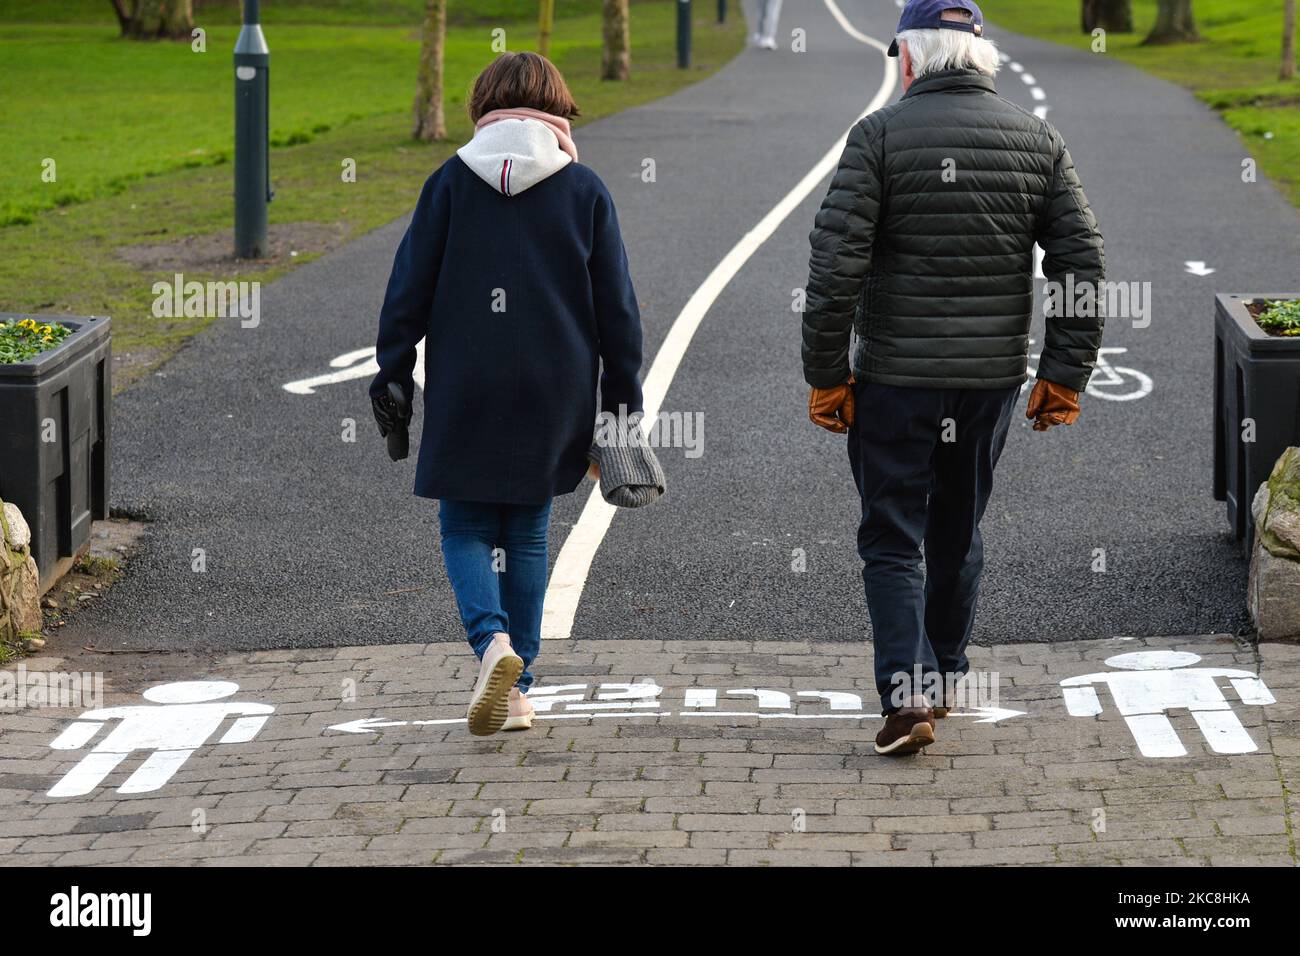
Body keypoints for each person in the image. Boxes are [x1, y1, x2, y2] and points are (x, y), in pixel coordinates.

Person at [801, 0, 1104, 755]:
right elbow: (1082, 265)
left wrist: (827, 372)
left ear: (907, 58)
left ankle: (909, 699)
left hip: (894, 379)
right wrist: (1064, 372)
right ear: (982, 58)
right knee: (959, 529)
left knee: (893, 534)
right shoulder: (1038, 140)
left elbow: (834, 267)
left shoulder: (876, 137)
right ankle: (941, 678)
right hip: (989, 379)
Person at [370, 52, 645, 737]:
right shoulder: (584, 190)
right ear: (557, 110)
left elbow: (407, 291)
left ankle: (491, 644)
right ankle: (517, 687)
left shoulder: (448, 185)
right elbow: (619, 310)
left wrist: (394, 372)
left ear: (483, 106)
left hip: (467, 378)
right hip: (558, 386)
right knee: (524, 531)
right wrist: (623, 402)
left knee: (464, 524)